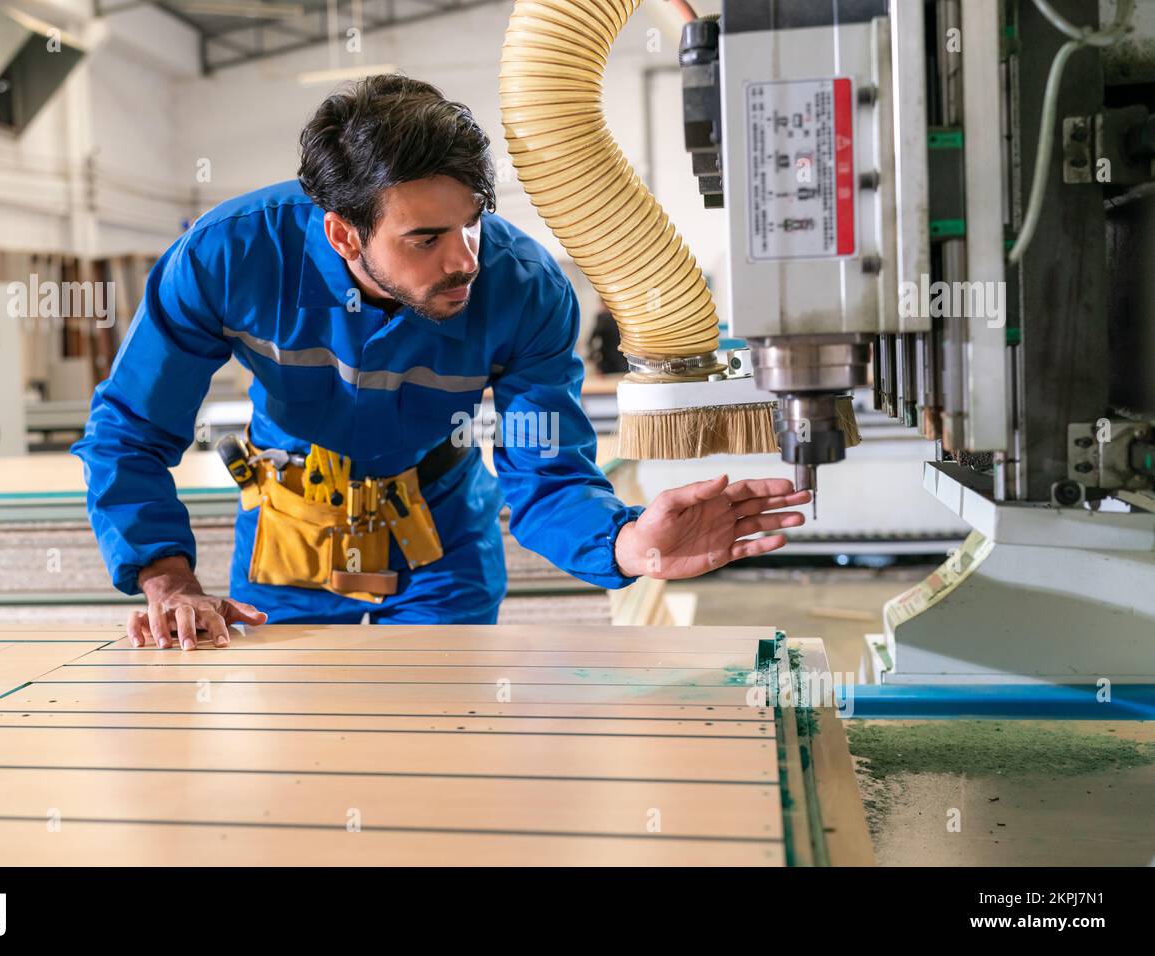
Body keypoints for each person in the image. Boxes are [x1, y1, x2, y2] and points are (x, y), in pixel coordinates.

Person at [71, 74, 809, 650]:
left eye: (471, 225)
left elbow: (544, 469)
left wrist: (625, 542)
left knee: (443, 743)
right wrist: (166, 579)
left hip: (441, 538)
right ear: (343, 235)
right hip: (289, 539)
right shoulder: (228, 257)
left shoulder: (523, 289)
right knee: (291, 753)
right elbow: (131, 429)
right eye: (425, 238)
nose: (463, 261)